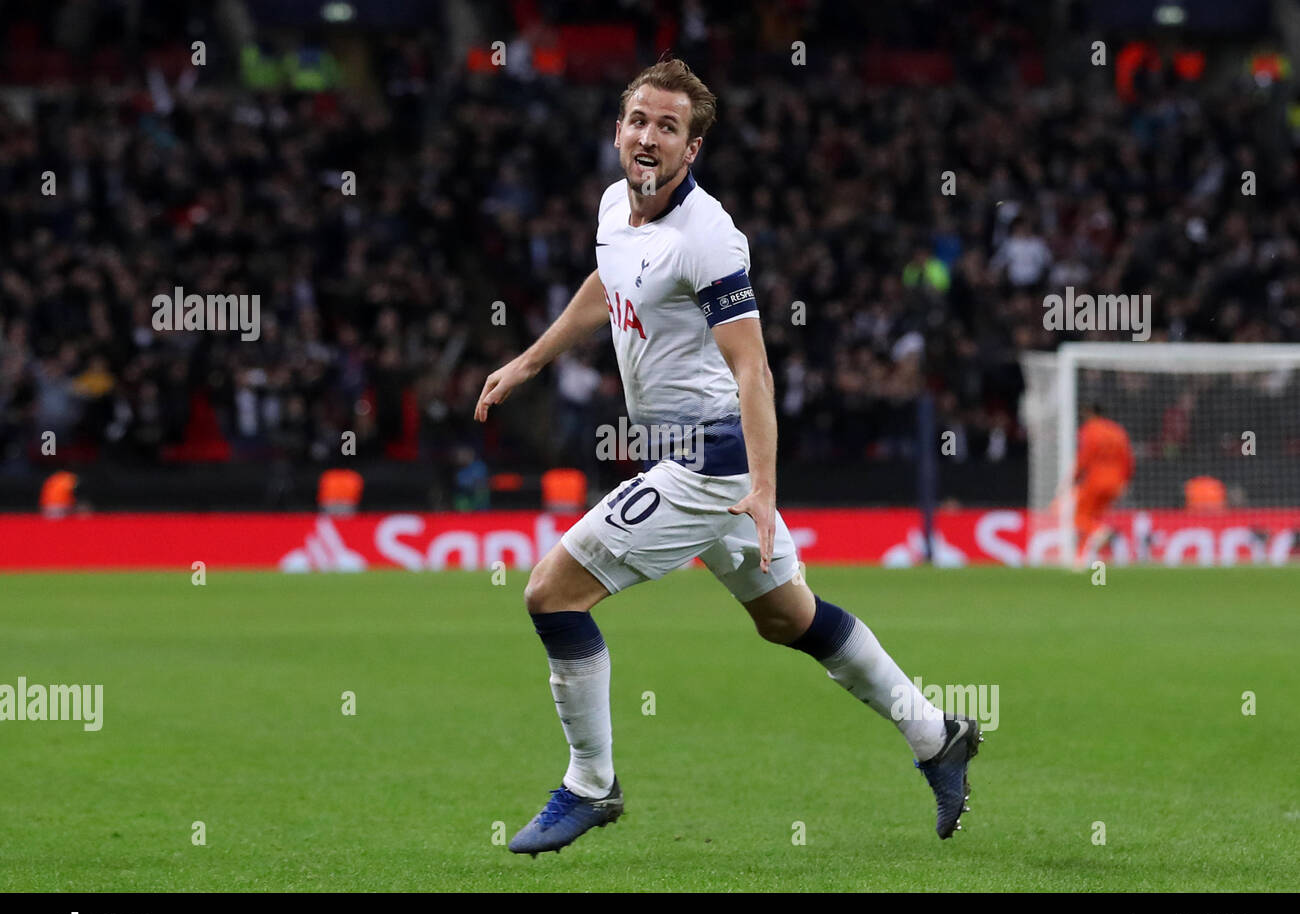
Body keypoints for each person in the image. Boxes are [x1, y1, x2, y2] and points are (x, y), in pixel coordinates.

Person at [474, 59, 981, 856]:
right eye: (639, 119)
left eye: (668, 127)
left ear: (692, 149)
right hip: (679, 456)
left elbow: (753, 366)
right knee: (789, 618)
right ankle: (936, 735)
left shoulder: (709, 236)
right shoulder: (616, 206)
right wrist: (531, 360)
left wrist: (766, 493)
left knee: (551, 593)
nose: (648, 136)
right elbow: (607, 283)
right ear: (618, 129)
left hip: (706, 464)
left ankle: (590, 784)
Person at [1072, 403, 1135, 569]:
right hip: (1116, 483)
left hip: (1095, 481)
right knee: (1094, 518)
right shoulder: (1118, 431)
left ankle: (1104, 532)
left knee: (1080, 518)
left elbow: (1084, 457)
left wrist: (1074, 478)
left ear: (1089, 413)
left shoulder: (1089, 430)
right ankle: (1081, 559)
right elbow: (1128, 459)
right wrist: (1125, 481)